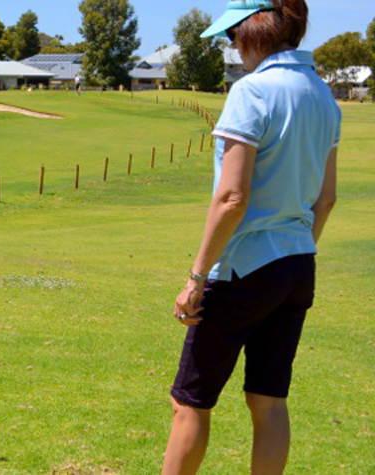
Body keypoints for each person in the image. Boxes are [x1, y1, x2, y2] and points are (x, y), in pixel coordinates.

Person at [162, 1, 340, 474]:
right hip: (298, 264)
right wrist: (297, 250)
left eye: (231, 35)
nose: (232, 45)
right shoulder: (324, 94)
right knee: (269, 401)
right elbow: (326, 200)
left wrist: (197, 277)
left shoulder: (252, 91)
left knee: (190, 402)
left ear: (254, 30)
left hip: (243, 268)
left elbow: (231, 198)